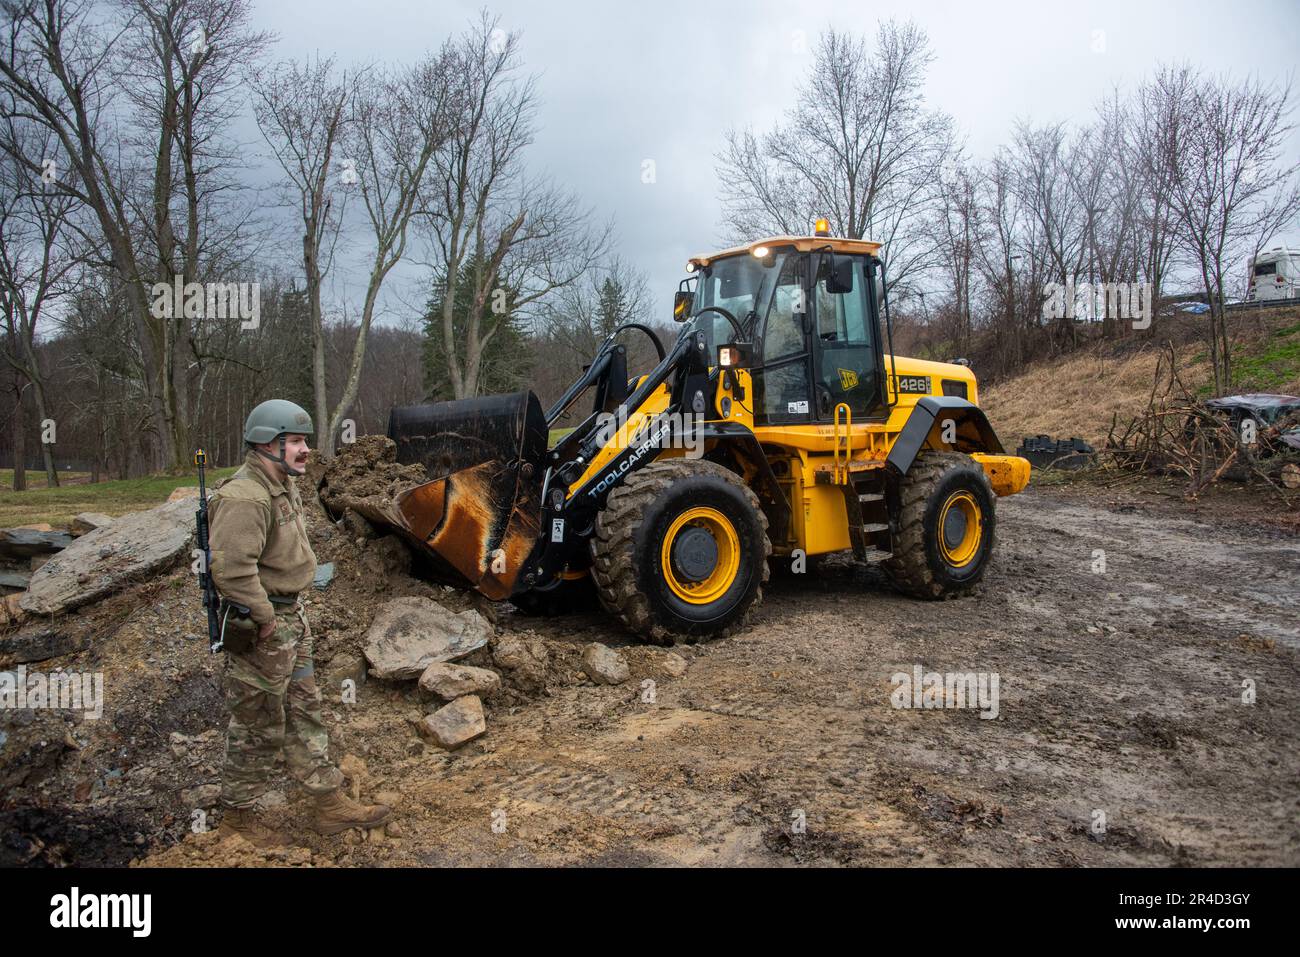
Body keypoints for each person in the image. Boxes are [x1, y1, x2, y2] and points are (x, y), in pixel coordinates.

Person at [207, 399, 390, 845]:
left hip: (291, 620)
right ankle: (236, 822)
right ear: (268, 444)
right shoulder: (245, 497)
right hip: (265, 626)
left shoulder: (279, 484)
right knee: (257, 724)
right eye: (296, 442)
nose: (306, 450)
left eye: (305, 441)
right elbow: (230, 569)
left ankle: (328, 804)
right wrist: (266, 619)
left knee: (304, 710)